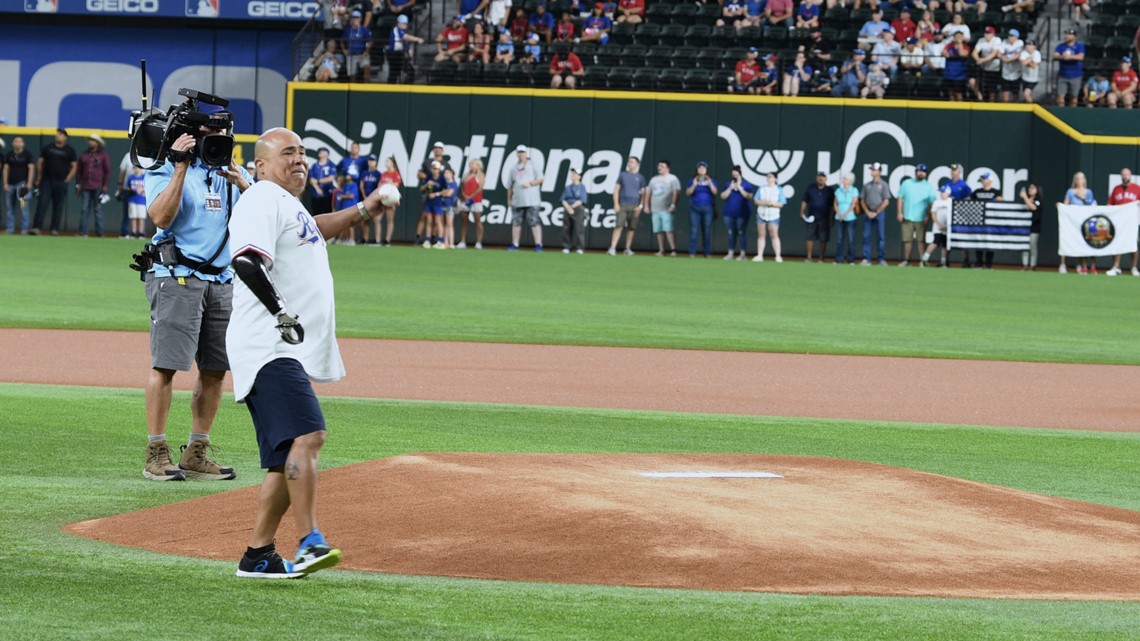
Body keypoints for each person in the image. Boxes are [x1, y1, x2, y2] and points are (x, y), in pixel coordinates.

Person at [227, 127, 387, 579]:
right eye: (286, 152)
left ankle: (258, 555)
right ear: (259, 166)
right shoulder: (260, 198)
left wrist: (362, 209)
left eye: (302, 152)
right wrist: (281, 313)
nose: (299, 159)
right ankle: (310, 541)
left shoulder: (285, 204)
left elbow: (314, 227)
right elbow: (244, 261)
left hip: (278, 345)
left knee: (284, 456)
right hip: (268, 342)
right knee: (310, 434)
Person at [141, 117, 252, 482]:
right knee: (167, 365)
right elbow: (161, 216)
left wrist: (245, 185)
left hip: (222, 279)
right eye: (208, 137)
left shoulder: (230, 173)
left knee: (216, 369)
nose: (215, 144)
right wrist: (180, 166)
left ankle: (196, 450)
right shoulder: (162, 167)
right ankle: (157, 452)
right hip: (177, 277)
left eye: (221, 137)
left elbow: (258, 224)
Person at [33, 128, 77, 235]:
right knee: (42, 204)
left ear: (65, 138)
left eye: (61, 135)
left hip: (61, 181)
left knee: (58, 206)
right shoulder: (48, 148)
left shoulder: (69, 151)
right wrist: (38, 177)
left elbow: (74, 166)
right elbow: (40, 162)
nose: (58, 136)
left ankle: (54, 229)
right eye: (57, 135)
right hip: (47, 180)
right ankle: (36, 228)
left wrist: (67, 179)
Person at [504, 144, 544, 251]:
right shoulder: (513, 168)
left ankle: (538, 244)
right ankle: (515, 244)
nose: (521, 154)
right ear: (517, 154)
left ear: (526, 153)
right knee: (516, 222)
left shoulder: (533, 164)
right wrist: (509, 199)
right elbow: (509, 185)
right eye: (519, 152)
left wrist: (530, 183)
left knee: (534, 221)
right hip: (517, 200)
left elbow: (541, 179)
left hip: (532, 200)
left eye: (522, 152)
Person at [895, 162, 935, 266]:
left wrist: (928, 216)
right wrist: (899, 212)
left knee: (921, 240)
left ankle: (923, 261)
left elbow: (931, 203)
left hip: (921, 217)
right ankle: (907, 260)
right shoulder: (907, 183)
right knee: (907, 240)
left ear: (926, 174)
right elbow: (900, 198)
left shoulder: (928, 187)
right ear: (916, 172)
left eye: (923, 172)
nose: (921, 173)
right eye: (919, 171)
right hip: (907, 215)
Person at [608, 156, 647, 256]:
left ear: (637, 164)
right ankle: (612, 248)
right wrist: (616, 204)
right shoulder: (623, 175)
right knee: (619, 226)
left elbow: (643, 193)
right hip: (623, 205)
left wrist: (641, 206)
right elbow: (616, 190)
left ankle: (627, 249)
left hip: (635, 206)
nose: (630, 164)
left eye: (632, 162)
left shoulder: (640, 177)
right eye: (629, 162)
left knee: (631, 228)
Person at [75, 133, 111, 238]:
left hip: (98, 186)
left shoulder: (103, 155)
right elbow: (79, 171)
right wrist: (78, 184)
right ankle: (83, 232)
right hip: (85, 186)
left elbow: (107, 171)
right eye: (89, 140)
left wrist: (105, 185)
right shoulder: (84, 154)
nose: (90, 142)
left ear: (98, 143)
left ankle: (100, 233)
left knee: (98, 210)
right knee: (84, 209)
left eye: (93, 140)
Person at [1107, 168, 1140, 276]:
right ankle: (1116, 267)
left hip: (1132, 221)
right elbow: (1110, 204)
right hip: (1118, 221)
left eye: (1127, 174)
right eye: (1123, 174)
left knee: (1133, 244)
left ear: (1130, 175)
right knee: (1117, 243)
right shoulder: (1116, 189)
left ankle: (1134, 268)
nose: (1125, 176)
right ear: (1121, 176)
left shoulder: (1137, 188)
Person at [1061, 171, 1096, 274]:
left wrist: (1083, 198)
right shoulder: (1070, 191)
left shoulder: (1088, 192)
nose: (1079, 181)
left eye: (1081, 178)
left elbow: (1091, 205)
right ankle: (1063, 264)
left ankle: (1080, 265)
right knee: (1066, 241)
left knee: (1081, 242)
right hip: (1072, 222)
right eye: (1077, 179)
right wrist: (1061, 207)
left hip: (1084, 222)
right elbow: (1065, 205)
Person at [647, 160, 681, 257]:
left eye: (662, 166)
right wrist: (646, 205)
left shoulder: (673, 178)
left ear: (667, 168)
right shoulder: (653, 179)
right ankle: (661, 250)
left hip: (667, 209)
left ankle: (673, 250)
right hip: (655, 209)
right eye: (658, 166)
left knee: (668, 229)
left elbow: (676, 193)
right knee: (658, 230)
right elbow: (648, 192)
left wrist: (673, 205)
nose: (659, 167)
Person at [720, 166, 753, 261]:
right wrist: (730, 188)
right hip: (729, 213)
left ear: (740, 175)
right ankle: (730, 253)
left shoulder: (746, 185)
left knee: (741, 232)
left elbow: (749, 196)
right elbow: (723, 196)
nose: (734, 177)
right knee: (731, 233)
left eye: (736, 175)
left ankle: (742, 254)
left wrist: (740, 188)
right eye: (733, 175)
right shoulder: (728, 184)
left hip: (742, 214)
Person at [860, 162, 891, 265]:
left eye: (874, 170)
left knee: (881, 237)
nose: (872, 171)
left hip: (879, 212)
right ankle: (866, 258)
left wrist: (877, 212)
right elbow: (862, 200)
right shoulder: (867, 185)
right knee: (866, 236)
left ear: (879, 171)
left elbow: (886, 201)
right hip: (868, 211)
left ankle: (881, 259)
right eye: (871, 169)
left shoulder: (884, 185)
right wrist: (867, 211)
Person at [3, 135, 34, 234]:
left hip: (22, 184)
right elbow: (5, 169)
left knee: (24, 208)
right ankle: (10, 229)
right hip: (10, 184)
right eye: (16, 141)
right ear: (12, 143)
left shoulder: (27, 155)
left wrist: (29, 183)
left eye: (20, 141)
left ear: (23, 144)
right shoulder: (9, 155)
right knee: (10, 208)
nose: (17, 143)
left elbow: (31, 169)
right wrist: (5, 183)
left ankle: (24, 230)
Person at [970, 172, 1001, 268]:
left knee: (990, 243)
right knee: (979, 242)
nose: (982, 181)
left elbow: (1002, 201)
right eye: (982, 179)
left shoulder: (996, 192)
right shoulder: (977, 192)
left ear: (989, 180)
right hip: (979, 221)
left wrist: (998, 200)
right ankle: (979, 263)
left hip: (991, 222)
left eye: (984, 179)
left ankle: (989, 264)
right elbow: (969, 203)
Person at [752, 172, 785, 262]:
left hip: (773, 215)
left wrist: (772, 204)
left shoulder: (779, 189)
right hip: (761, 214)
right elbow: (756, 200)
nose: (769, 178)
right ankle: (759, 255)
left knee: (774, 235)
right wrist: (765, 203)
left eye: (771, 177)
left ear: (775, 179)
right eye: (768, 177)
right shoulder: (762, 189)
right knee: (761, 235)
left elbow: (781, 203)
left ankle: (778, 256)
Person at [686, 161, 717, 258]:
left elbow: (715, 192)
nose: (701, 170)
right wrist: (694, 184)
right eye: (699, 168)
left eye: (703, 168)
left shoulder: (711, 180)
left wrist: (709, 182)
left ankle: (707, 253)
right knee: (694, 231)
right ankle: (692, 253)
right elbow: (688, 193)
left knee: (707, 231)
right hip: (694, 207)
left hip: (707, 207)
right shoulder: (692, 180)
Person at [801, 171, 834, 262]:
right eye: (819, 176)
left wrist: (831, 218)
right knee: (810, 237)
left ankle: (821, 258)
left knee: (823, 239)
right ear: (817, 178)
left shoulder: (829, 190)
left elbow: (832, 206)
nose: (821, 178)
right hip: (812, 217)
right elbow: (805, 200)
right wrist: (802, 212)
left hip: (824, 218)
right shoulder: (811, 188)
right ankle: (809, 257)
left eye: (823, 177)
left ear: (826, 179)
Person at [386, 14, 425, 83]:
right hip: (393, 54)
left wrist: (408, 50)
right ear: (398, 23)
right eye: (403, 23)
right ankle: (391, 89)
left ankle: (404, 86)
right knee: (395, 73)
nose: (405, 25)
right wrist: (417, 39)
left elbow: (404, 43)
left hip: (398, 54)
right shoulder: (397, 30)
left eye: (405, 24)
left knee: (406, 71)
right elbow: (406, 37)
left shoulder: (403, 31)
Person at [457, 158, 485, 249]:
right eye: (471, 164)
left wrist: (471, 196)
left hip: (476, 201)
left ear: (478, 165)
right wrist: (464, 195)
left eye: (473, 164)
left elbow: (480, 187)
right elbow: (462, 186)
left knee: (477, 221)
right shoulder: (466, 174)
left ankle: (478, 242)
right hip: (465, 201)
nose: (471, 165)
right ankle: (463, 241)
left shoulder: (480, 175)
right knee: (464, 221)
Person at [1053, 28, 1085, 108]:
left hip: (1076, 75)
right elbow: (1055, 56)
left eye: (1069, 35)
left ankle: (1072, 113)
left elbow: (1081, 57)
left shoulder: (1079, 46)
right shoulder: (1061, 46)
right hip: (1063, 74)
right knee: (1060, 97)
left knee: (1074, 97)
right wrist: (1062, 56)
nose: (1066, 36)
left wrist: (1069, 56)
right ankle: (1060, 112)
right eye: (1066, 34)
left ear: (1074, 37)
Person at [833, 172, 859, 264]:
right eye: (843, 178)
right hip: (839, 218)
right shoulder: (838, 190)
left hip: (850, 218)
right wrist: (840, 214)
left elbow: (853, 204)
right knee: (840, 239)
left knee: (851, 239)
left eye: (845, 179)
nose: (844, 180)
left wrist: (845, 214)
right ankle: (839, 259)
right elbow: (835, 204)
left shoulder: (854, 190)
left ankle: (851, 259)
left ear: (850, 181)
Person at [922, 186, 952, 268]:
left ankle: (943, 261)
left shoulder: (951, 202)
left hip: (947, 227)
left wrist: (947, 226)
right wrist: (940, 224)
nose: (942, 194)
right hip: (937, 227)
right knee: (936, 242)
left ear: (948, 193)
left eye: (943, 192)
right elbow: (933, 214)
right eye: (941, 192)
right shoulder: (937, 202)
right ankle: (925, 259)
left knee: (945, 244)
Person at [560, 167, 588, 254]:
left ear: (579, 176)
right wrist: (568, 207)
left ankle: (580, 247)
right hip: (567, 208)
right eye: (572, 173)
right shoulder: (568, 187)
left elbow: (582, 200)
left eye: (575, 174)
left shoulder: (582, 187)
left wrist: (572, 207)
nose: (573, 175)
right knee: (566, 228)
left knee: (579, 229)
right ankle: (567, 247)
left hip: (578, 209)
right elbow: (563, 199)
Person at [418, 160, 446, 248]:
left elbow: (446, 191)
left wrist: (436, 194)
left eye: (436, 168)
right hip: (429, 202)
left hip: (438, 203)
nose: (435, 170)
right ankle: (427, 240)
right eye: (433, 168)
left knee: (438, 222)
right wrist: (427, 185)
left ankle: (440, 241)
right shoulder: (428, 177)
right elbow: (422, 189)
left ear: (439, 169)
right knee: (429, 221)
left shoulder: (442, 178)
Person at [378, 156, 402, 246]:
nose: (386, 163)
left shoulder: (395, 173)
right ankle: (377, 240)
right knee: (377, 219)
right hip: (382, 198)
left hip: (390, 199)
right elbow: (380, 185)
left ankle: (387, 240)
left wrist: (386, 185)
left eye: (388, 161)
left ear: (392, 163)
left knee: (389, 220)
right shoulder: (384, 174)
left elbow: (396, 185)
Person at [332, 172, 362, 244]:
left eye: (349, 174)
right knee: (346, 224)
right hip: (345, 206)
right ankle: (347, 239)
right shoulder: (346, 185)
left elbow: (352, 196)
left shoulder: (354, 185)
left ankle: (352, 239)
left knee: (350, 223)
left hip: (351, 206)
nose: (347, 175)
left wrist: (342, 197)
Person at [343, 11, 373, 82]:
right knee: (352, 74)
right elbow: (342, 40)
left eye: (357, 18)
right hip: (351, 54)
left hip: (362, 54)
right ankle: (353, 90)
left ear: (360, 19)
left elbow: (370, 42)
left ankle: (366, 88)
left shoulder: (364, 29)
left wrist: (365, 52)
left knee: (367, 67)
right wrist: (344, 49)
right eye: (353, 18)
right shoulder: (348, 30)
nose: (355, 20)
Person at [1018, 183, 1042, 271]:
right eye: (1029, 188)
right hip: (1025, 227)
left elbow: (1033, 207)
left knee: (1033, 246)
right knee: (1024, 246)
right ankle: (1025, 264)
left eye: (1032, 188)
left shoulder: (1038, 200)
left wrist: (1025, 197)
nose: (1030, 189)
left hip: (1034, 227)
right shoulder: (1026, 200)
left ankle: (1033, 265)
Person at [360, 154, 382, 243]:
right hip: (365, 199)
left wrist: (373, 197)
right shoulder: (364, 173)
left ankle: (377, 240)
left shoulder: (378, 174)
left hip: (375, 200)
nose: (371, 162)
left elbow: (379, 187)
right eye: (370, 160)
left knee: (376, 220)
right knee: (364, 219)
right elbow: (361, 185)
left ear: (376, 162)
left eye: (373, 160)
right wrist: (364, 195)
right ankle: (365, 239)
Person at [308, 147, 337, 215]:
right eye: (320, 151)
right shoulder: (314, 166)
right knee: (316, 214)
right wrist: (317, 188)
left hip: (327, 194)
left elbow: (331, 178)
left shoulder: (331, 165)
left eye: (322, 151)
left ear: (327, 154)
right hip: (315, 195)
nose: (320, 152)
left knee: (327, 214)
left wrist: (318, 181)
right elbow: (311, 180)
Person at [998, 29, 1024, 103]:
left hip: (1016, 73)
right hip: (1005, 73)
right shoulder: (1004, 42)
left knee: (1015, 95)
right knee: (1005, 94)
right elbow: (999, 54)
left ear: (1016, 37)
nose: (1010, 37)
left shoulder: (1020, 43)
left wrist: (1008, 60)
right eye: (1009, 35)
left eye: (1012, 36)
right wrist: (1003, 58)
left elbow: (1018, 54)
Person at [126, 167, 148, 239]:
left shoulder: (144, 177)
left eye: (138, 168)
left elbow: (147, 187)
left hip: (141, 200)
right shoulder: (131, 177)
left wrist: (141, 189)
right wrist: (132, 190)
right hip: (132, 199)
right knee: (133, 217)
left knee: (141, 217)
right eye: (135, 168)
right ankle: (134, 232)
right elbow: (127, 187)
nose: (137, 170)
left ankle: (141, 233)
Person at [1019, 38, 1041, 103]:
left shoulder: (1037, 53)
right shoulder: (1023, 53)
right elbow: (1022, 63)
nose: (1028, 46)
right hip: (1025, 78)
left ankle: (1031, 107)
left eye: (1030, 45)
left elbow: (1034, 66)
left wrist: (1028, 60)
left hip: (1033, 79)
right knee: (1027, 95)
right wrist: (1031, 60)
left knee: (1026, 93)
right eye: (1027, 44)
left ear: (1034, 46)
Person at [441, 167, 459, 248]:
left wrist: (443, 193)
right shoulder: (444, 183)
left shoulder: (453, 184)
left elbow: (448, 194)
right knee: (444, 224)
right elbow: (441, 192)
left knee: (449, 224)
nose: (446, 175)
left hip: (450, 206)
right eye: (445, 173)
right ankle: (445, 242)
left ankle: (451, 243)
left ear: (451, 174)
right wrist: (443, 192)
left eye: (447, 173)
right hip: (442, 205)